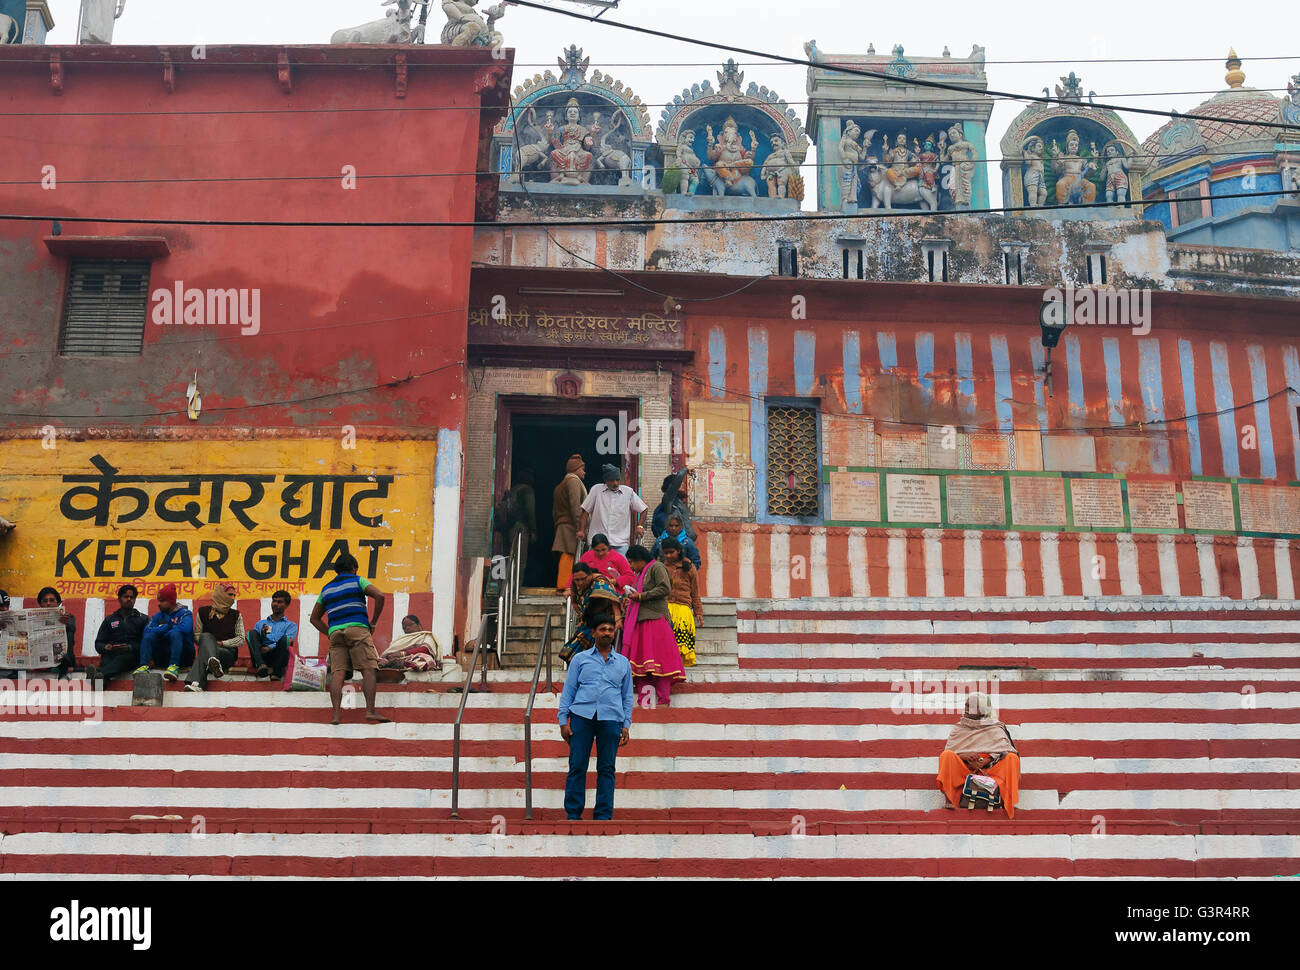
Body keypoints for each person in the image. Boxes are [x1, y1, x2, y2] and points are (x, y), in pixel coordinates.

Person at [558, 612, 633, 821]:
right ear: (594, 633)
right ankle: (573, 813)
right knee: (578, 765)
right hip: (582, 717)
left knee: (607, 768)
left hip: (611, 720)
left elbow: (627, 696)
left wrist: (626, 724)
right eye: (602, 629)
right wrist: (563, 721)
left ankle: (603, 814)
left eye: (610, 629)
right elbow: (569, 691)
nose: (607, 633)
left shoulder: (623, 663)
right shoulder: (580, 660)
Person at [310, 553, 391, 726]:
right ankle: (370, 711)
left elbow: (314, 619)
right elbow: (380, 596)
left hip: (336, 633)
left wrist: (330, 632)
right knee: (368, 669)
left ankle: (336, 715)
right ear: (353, 568)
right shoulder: (357, 580)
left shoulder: (326, 589)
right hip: (357, 629)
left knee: (338, 673)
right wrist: (374, 622)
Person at [936, 693, 1021, 818]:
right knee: (946, 756)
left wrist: (986, 760)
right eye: (965, 705)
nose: (965, 708)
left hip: (990, 772)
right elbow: (952, 750)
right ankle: (950, 799)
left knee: (1012, 759)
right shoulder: (959, 728)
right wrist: (964, 756)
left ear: (982, 710)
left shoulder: (996, 727)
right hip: (966, 771)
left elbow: (1005, 750)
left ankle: (1007, 801)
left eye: (969, 706)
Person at [620, 545, 686, 706]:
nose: (630, 567)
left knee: (660, 664)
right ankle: (645, 702)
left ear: (640, 560)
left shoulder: (657, 567)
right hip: (640, 623)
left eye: (631, 563)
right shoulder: (640, 574)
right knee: (642, 667)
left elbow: (665, 588)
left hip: (656, 621)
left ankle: (664, 701)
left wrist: (641, 596)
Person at [577, 464, 647, 556]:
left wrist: (640, 526)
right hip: (597, 543)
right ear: (605, 480)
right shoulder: (596, 490)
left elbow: (644, 509)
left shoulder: (628, 492)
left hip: (620, 544)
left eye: (617, 480)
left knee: (621, 570)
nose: (615, 483)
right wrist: (581, 530)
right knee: (593, 569)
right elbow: (585, 511)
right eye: (612, 480)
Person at [187, 582, 244, 693]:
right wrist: (210, 644)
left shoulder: (236, 615)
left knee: (204, 652)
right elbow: (197, 635)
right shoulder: (203, 612)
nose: (233, 598)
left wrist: (222, 643)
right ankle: (200, 680)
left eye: (234, 595)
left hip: (227, 653)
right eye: (230, 595)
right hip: (207, 648)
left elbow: (241, 638)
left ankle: (196, 681)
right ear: (220, 594)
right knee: (205, 636)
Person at [560, 562, 623, 662]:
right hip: (589, 622)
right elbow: (575, 603)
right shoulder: (574, 585)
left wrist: (618, 618)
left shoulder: (600, 581)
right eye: (577, 580)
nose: (580, 582)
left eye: (583, 579)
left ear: (590, 575)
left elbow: (613, 598)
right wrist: (582, 618)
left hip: (605, 621)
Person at [88, 584, 147, 686]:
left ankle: (99, 674)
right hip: (111, 654)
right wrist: (105, 647)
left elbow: (148, 644)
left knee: (122, 659)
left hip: (132, 656)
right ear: (119, 599)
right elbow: (98, 643)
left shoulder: (143, 619)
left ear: (135, 600)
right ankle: (99, 683)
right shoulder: (109, 619)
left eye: (132, 597)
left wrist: (130, 647)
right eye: (126, 597)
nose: (129, 599)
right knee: (106, 659)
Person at [134, 584, 194, 682]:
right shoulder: (158, 616)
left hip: (184, 657)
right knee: (150, 636)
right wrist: (166, 627)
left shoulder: (185, 613)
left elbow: (186, 628)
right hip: (162, 657)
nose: (159, 604)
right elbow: (147, 631)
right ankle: (144, 666)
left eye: (162, 601)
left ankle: (174, 666)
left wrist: (164, 629)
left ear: (171, 601)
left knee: (175, 633)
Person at [659, 537, 702, 668]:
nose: (668, 555)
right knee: (665, 641)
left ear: (678, 551)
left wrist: (699, 612)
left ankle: (679, 667)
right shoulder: (661, 567)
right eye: (665, 553)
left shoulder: (688, 566)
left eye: (671, 552)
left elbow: (695, 592)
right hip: (665, 607)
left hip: (683, 607)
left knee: (681, 642)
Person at [552, 453, 588, 593]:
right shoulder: (573, 481)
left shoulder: (561, 484)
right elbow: (575, 506)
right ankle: (564, 586)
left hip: (564, 524)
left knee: (568, 554)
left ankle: (566, 585)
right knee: (569, 554)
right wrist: (581, 527)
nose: (584, 471)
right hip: (570, 526)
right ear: (575, 469)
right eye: (582, 468)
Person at [247, 589, 297, 680]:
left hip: (279, 657)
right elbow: (254, 642)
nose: (275, 604)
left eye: (279, 602)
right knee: (251, 633)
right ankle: (261, 665)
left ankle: (276, 673)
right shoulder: (260, 623)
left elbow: (287, 642)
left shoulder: (291, 625)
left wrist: (270, 647)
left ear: (286, 605)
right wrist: (262, 635)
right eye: (274, 601)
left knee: (286, 639)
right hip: (261, 656)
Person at [36, 587, 77, 679]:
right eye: (45, 601)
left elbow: (73, 629)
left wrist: (65, 624)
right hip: (42, 656)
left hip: (62, 656)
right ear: (40, 604)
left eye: (52, 600)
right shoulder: (36, 620)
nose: (48, 603)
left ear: (58, 603)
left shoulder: (68, 617)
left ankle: (62, 668)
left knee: (69, 631)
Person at [378, 614, 442, 672]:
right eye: (404, 627)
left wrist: (403, 653)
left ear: (418, 625)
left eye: (410, 625)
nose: (407, 628)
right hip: (395, 660)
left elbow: (425, 649)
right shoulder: (399, 639)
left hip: (412, 659)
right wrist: (390, 656)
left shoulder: (426, 635)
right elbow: (389, 653)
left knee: (423, 659)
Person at [652, 466, 696, 541]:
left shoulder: (679, 502)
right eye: (680, 483)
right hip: (673, 543)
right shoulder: (669, 501)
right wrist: (685, 470)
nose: (683, 484)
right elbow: (675, 485)